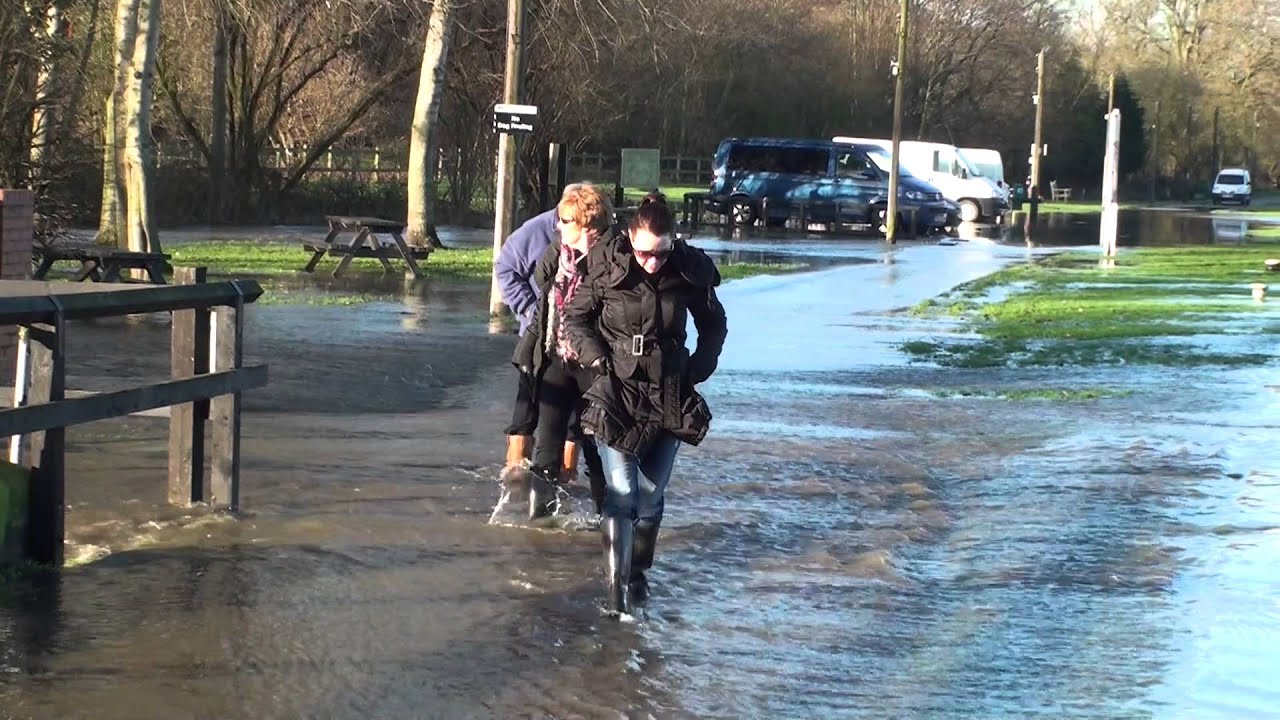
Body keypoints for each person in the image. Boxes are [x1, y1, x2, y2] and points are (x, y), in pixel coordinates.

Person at [564, 193, 728, 615]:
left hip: (670, 392)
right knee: (621, 494)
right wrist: (597, 360)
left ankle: (636, 573)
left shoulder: (689, 270)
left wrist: (700, 366)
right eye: (642, 252)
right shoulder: (607, 265)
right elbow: (575, 318)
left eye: (659, 253)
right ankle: (616, 598)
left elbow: (714, 324)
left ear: (672, 242)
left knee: (651, 498)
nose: (650, 262)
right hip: (616, 388)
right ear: (630, 238)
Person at [513, 183, 613, 519]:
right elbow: (542, 290)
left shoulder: (613, 258)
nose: (558, 226)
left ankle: (610, 521)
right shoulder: (558, 250)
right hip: (556, 354)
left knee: (598, 446)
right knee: (546, 447)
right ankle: (541, 523)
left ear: (589, 224)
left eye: (567, 221)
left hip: (595, 364)